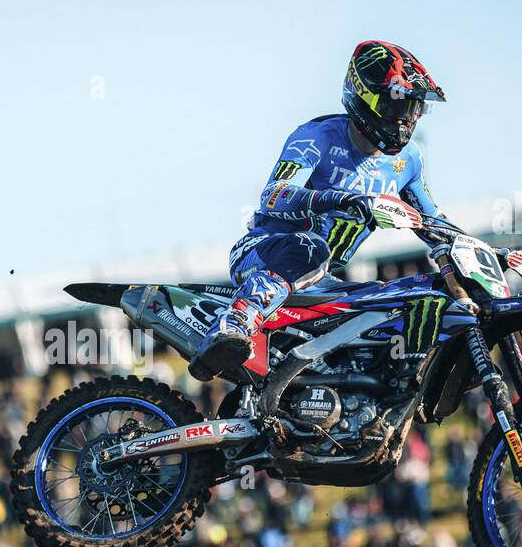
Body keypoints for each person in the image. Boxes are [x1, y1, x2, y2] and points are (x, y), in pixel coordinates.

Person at [189, 40, 448, 381]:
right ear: (365, 97)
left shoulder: (407, 161)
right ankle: (233, 324)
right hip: (263, 253)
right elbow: (274, 195)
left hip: (323, 280)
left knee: (395, 298)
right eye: (397, 106)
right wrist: (337, 198)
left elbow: (434, 226)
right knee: (312, 247)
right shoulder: (316, 137)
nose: (405, 120)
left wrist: (493, 254)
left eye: (413, 109)